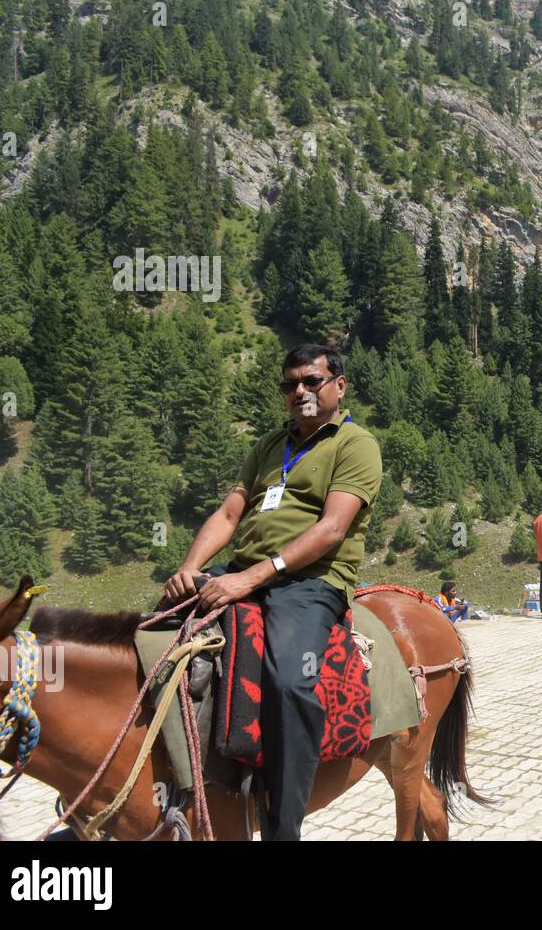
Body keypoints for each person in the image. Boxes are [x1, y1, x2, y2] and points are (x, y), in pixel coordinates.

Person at [162, 344, 384, 840]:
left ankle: (284, 827)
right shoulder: (268, 445)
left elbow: (331, 530)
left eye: (311, 381)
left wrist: (253, 576)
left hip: (311, 582)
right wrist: (190, 566)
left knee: (288, 680)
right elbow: (227, 515)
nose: (299, 391)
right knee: (153, 632)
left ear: (339, 385)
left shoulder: (355, 444)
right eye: (290, 384)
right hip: (242, 567)